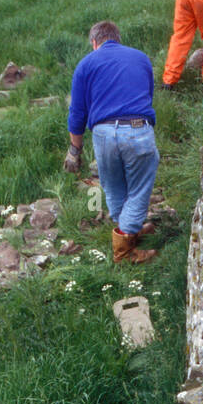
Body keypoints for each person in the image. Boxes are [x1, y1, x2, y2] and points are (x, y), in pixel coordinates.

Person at [64, 21, 159, 263]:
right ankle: (125, 249)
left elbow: (77, 113)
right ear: (117, 38)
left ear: (95, 43)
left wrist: (75, 150)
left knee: (113, 185)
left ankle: (128, 231)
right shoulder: (140, 58)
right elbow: (147, 95)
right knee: (138, 188)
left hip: (104, 133)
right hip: (138, 129)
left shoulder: (86, 64)